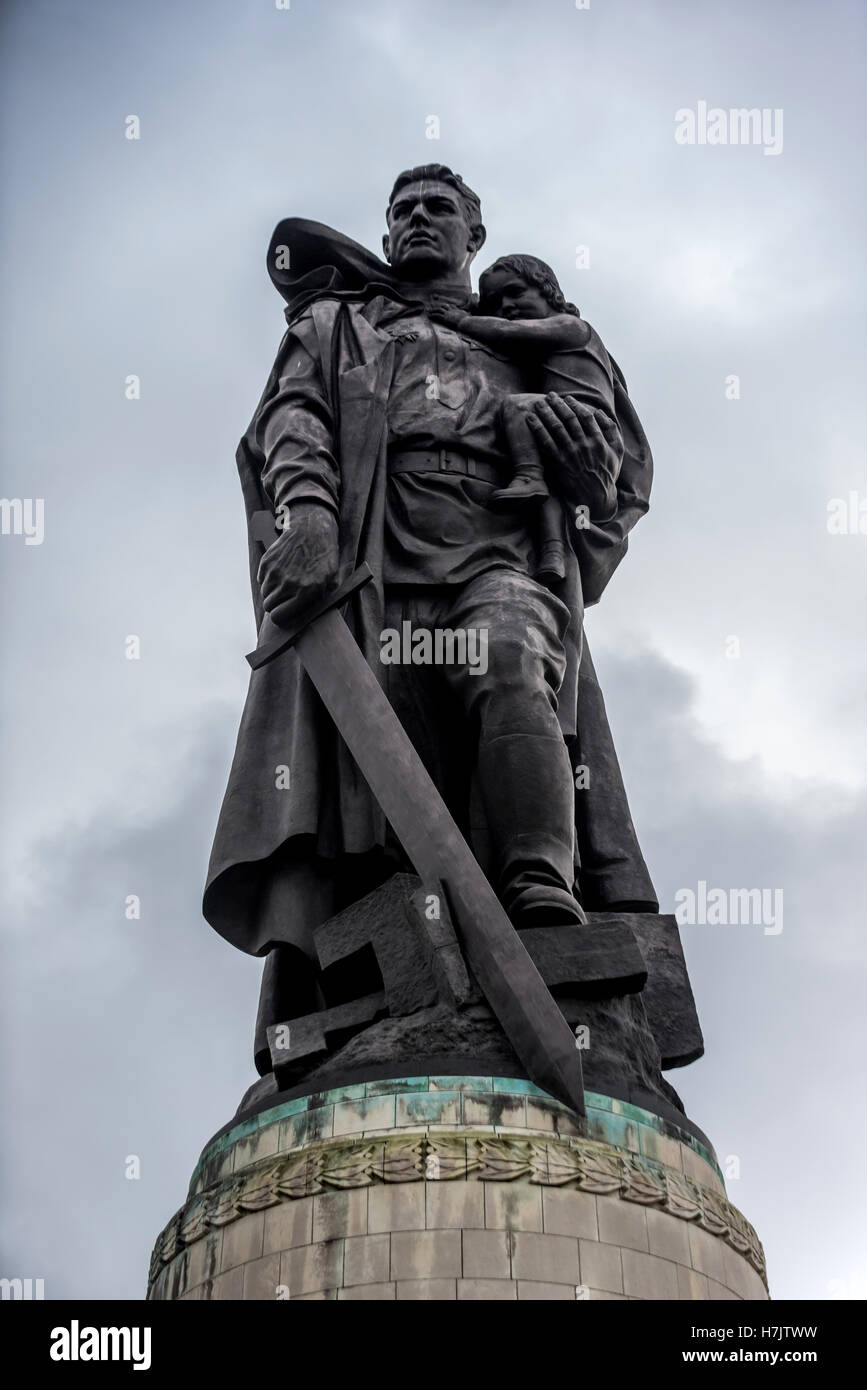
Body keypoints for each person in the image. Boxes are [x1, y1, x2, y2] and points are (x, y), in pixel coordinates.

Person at [203, 166, 658, 1071]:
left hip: (499, 549)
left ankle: (538, 884)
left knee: (506, 661)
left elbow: (618, 472)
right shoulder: (337, 324)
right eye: (402, 209)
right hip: (372, 556)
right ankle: (390, 972)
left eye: (438, 209)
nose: (417, 220)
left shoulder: (534, 334)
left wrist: (586, 473)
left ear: (472, 235)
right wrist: (309, 515)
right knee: (375, 771)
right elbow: (289, 420)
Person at [429, 253, 622, 581]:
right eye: (495, 301)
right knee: (546, 492)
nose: (506, 306)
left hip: (583, 420)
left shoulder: (571, 327)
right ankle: (552, 554)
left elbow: (505, 333)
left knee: (516, 407)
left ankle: (528, 473)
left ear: (549, 292)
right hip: (558, 417)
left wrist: (460, 320)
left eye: (516, 293)